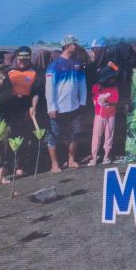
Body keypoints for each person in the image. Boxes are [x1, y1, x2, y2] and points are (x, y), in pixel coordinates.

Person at [44, 39, 89, 173]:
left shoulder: (77, 65)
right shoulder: (54, 66)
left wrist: (83, 102)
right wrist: (51, 107)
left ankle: (71, 159)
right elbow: (49, 88)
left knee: (74, 134)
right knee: (54, 136)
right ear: (68, 46)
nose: (77, 46)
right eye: (75, 44)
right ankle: (54, 164)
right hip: (58, 109)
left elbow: (82, 84)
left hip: (74, 107)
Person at [2, 48, 41, 178]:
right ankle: (6, 165)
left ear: (29, 58)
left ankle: (20, 165)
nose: (22, 61)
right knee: (8, 137)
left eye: (25, 59)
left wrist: (33, 107)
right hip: (10, 108)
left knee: (24, 137)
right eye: (20, 59)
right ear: (17, 58)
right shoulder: (9, 72)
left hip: (26, 107)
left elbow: (36, 92)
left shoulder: (34, 72)